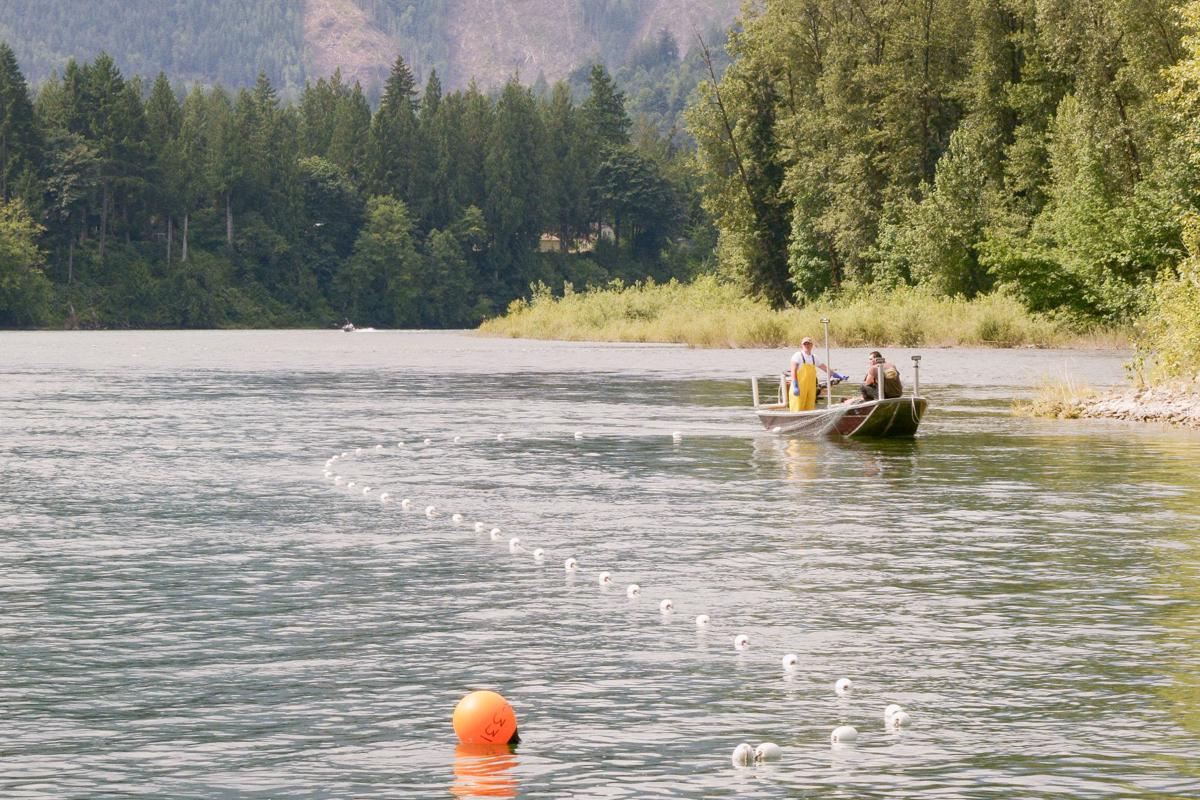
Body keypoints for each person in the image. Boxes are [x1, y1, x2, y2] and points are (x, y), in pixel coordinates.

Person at [789, 336, 831, 411]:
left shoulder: (814, 357)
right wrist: (795, 386)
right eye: (805, 344)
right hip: (799, 388)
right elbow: (793, 370)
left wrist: (836, 375)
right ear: (802, 345)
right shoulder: (798, 355)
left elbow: (825, 368)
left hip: (811, 389)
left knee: (810, 408)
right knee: (797, 408)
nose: (807, 345)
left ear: (812, 345)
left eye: (808, 344)